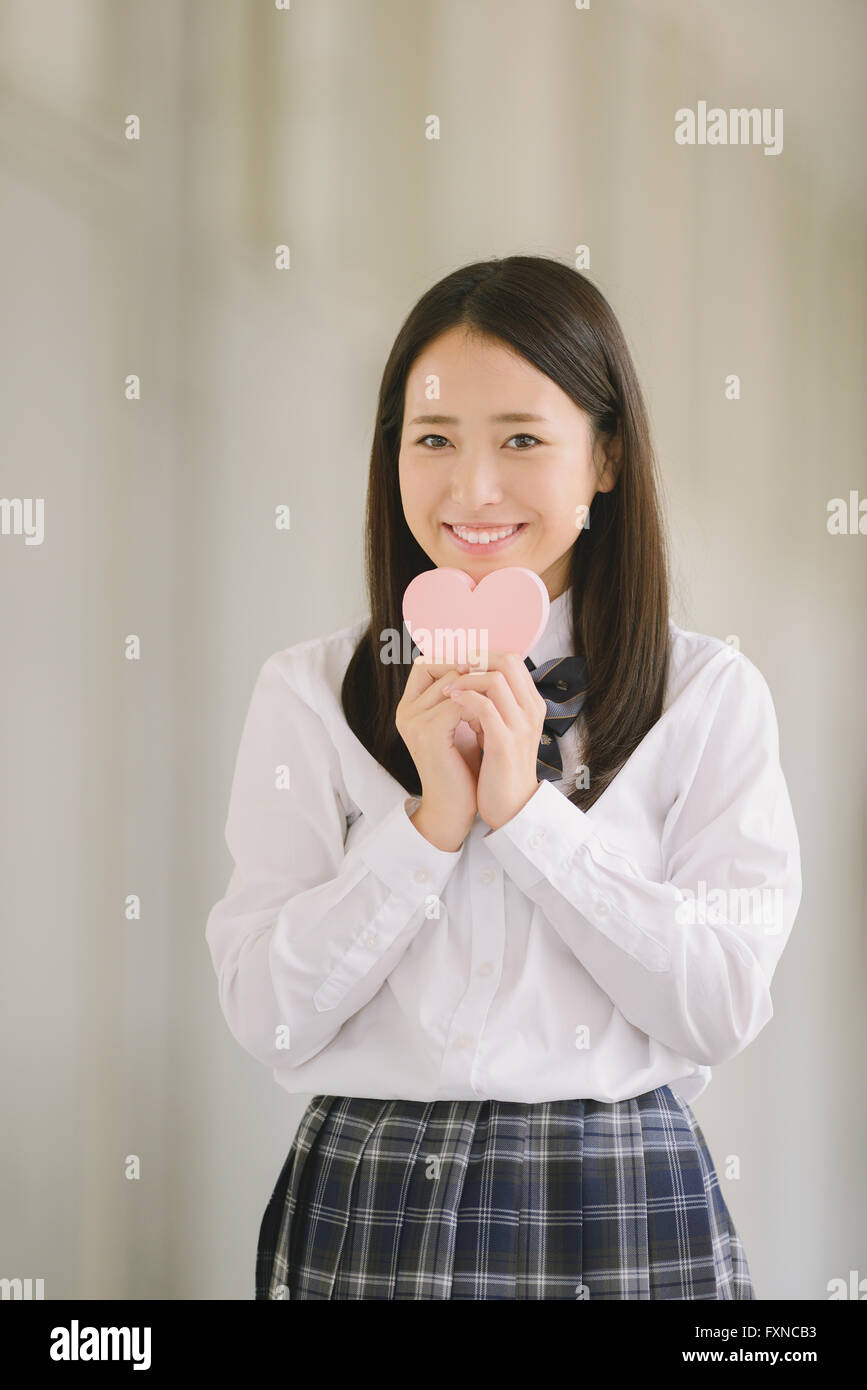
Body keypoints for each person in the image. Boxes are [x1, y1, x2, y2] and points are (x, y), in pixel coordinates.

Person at [205, 255, 802, 1300]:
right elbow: (265, 1012)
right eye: (433, 439)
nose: (471, 488)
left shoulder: (708, 695)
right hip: (369, 1188)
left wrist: (529, 821)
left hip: (617, 1192)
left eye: (522, 439)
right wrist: (427, 829)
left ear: (605, 457)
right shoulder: (307, 691)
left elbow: (721, 1003)